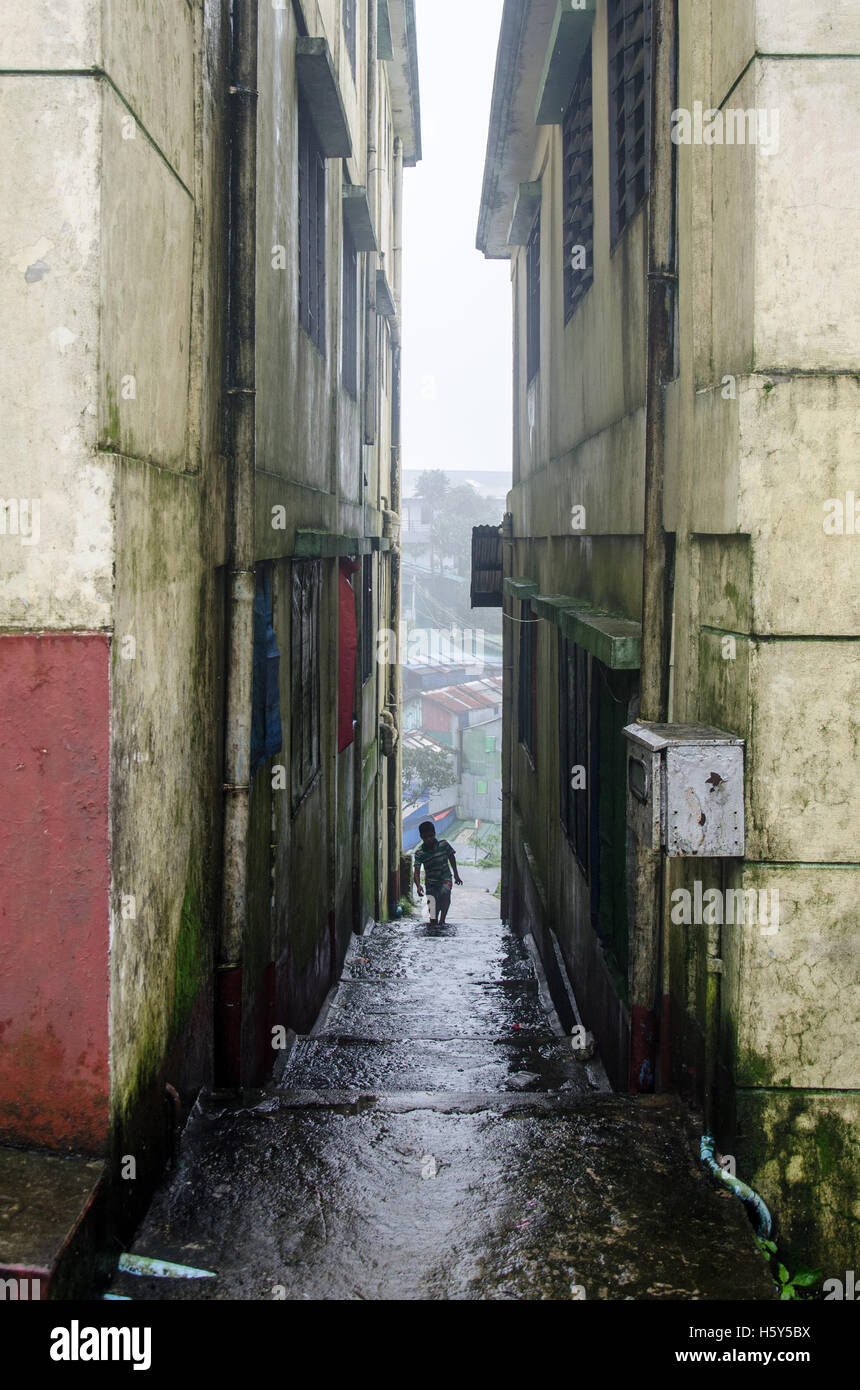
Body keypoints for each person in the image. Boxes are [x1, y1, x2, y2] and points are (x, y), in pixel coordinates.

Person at [413, 821, 463, 925]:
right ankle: (434, 921)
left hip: (445, 879)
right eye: (425, 837)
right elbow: (417, 871)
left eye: (430, 836)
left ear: (434, 833)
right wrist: (418, 885)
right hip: (431, 883)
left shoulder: (444, 845)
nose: (428, 839)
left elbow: (452, 858)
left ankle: (442, 920)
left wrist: (456, 875)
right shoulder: (419, 853)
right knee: (433, 911)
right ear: (421, 837)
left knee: (445, 895)